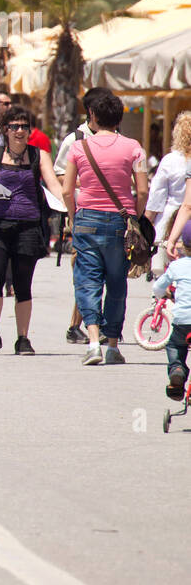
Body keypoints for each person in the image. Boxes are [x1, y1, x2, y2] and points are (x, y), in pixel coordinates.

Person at [62, 91, 148, 366]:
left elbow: (67, 190)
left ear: (93, 117)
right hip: (121, 221)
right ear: (119, 118)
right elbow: (143, 190)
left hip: (87, 217)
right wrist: (136, 216)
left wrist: (74, 216)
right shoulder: (134, 147)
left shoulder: (79, 148)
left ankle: (92, 341)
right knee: (116, 281)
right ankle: (112, 345)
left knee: (87, 280)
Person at [0, 104, 65, 356]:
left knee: (23, 285)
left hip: (28, 227)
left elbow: (53, 185)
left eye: (24, 126)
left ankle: (22, 338)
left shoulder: (39, 155)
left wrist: (69, 206)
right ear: (5, 129)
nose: (20, 131)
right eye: (14, 126)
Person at [56, 87, 109, 343]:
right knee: (86, 271)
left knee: (103, 272)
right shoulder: (74, 139)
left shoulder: (117, 137)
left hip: (110, 215)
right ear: (92, 112)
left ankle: (92, 323)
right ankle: (77, 324)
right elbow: (58, 175)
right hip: (82, 216)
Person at [146, 111, 191, 277]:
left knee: (163, 276)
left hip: (168, 225)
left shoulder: (170, 160)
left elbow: (156, 197)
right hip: (187, 225)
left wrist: (147, 222)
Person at [152, 221, 191, 401]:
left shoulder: (177, 266)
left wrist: (165, 294)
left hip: (182, 320)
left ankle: (177, 369)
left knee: (175, 345)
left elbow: (158, 288)